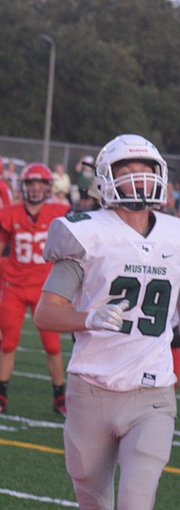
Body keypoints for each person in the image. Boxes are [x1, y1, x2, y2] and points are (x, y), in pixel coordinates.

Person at [33, 134, 180, 510]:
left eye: (146, 170)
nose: (139, 178)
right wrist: (88, 318)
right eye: (127, 171)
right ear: (105, 179)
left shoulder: (179, 238)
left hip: (151, 394)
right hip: (91, 390)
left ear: (161, 175)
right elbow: (45, 313)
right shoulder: (88, 234)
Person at [0, 163, 70, 415]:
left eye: (40, 184)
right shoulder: (10, 213)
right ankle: (2, 394)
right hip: (14, 286)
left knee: (52, 346)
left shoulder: (59, 212)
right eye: (31, 184)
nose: (36, 188)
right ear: (24, 186)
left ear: (48, 187)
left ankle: (60, 396)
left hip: (45, 289)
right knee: (7, 343)